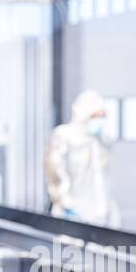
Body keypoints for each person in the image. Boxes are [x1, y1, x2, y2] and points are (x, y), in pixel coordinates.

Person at [45, 89, 121, 227]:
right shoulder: (64, 135)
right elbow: (55, 172)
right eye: (96, 116)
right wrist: (66, 203)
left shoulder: (101, 140)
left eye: (102, 116)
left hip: (101, 211)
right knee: (70, 247)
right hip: (74, 211)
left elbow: (103, 176)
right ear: (84, 114)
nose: (99, 120)